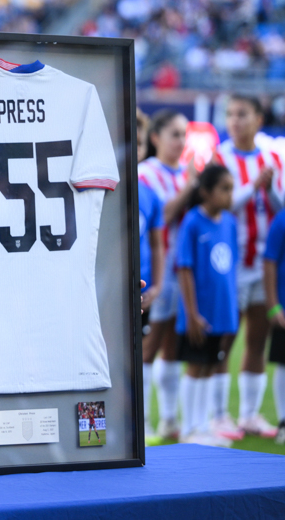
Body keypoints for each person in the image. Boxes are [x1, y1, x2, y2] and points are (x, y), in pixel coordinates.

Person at [213, 94, 282, 438]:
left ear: (258, 118)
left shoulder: (273, 158)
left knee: (257, 339)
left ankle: (250, 415)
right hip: (230, 264)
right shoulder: (220, 158)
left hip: (263, 264)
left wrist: (267, 191)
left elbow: (279, 208)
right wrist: (252, 188)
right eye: (230, 114)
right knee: (225, 338)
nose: (234, 120)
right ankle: (219, 415)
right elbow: (216, 205)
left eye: (242, 114)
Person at [137, 109, 193, 441]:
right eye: (175, 134)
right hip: (151, 274)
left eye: (184, 135)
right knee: (148, 346)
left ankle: (169, 419)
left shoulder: (185, 172)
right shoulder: (147, 174)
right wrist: (194, 188)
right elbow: (165, 215)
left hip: (177, 271)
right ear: (156, 138)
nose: (181, 141)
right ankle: (141, 421)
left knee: (172, 346)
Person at [176, 163, 239, 447]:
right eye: (224, 189)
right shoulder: (191, 222)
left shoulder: (230, 223)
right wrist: (191, 313)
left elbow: (230, 269)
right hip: (199, 313)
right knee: (195, 366)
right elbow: (184, 268)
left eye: (231, 189)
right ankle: (188, 428)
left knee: (211, 365)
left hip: (221, 311)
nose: (230, 196)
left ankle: (202, 425)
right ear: (205, 192)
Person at [136, 109, 165, 437]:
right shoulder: (106, 190)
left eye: (140, 141)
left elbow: (157, 245)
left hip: (142, 290)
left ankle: (141, 423)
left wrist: (156, 286)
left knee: (141, 355)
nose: (136, 146)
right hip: (108, 289)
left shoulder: (150, 195)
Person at [262, 202, 285, 443]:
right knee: (283, 363)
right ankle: (283, 422)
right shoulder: (281, 220)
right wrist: (273, 304)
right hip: (284, 305)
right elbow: (269, 261)